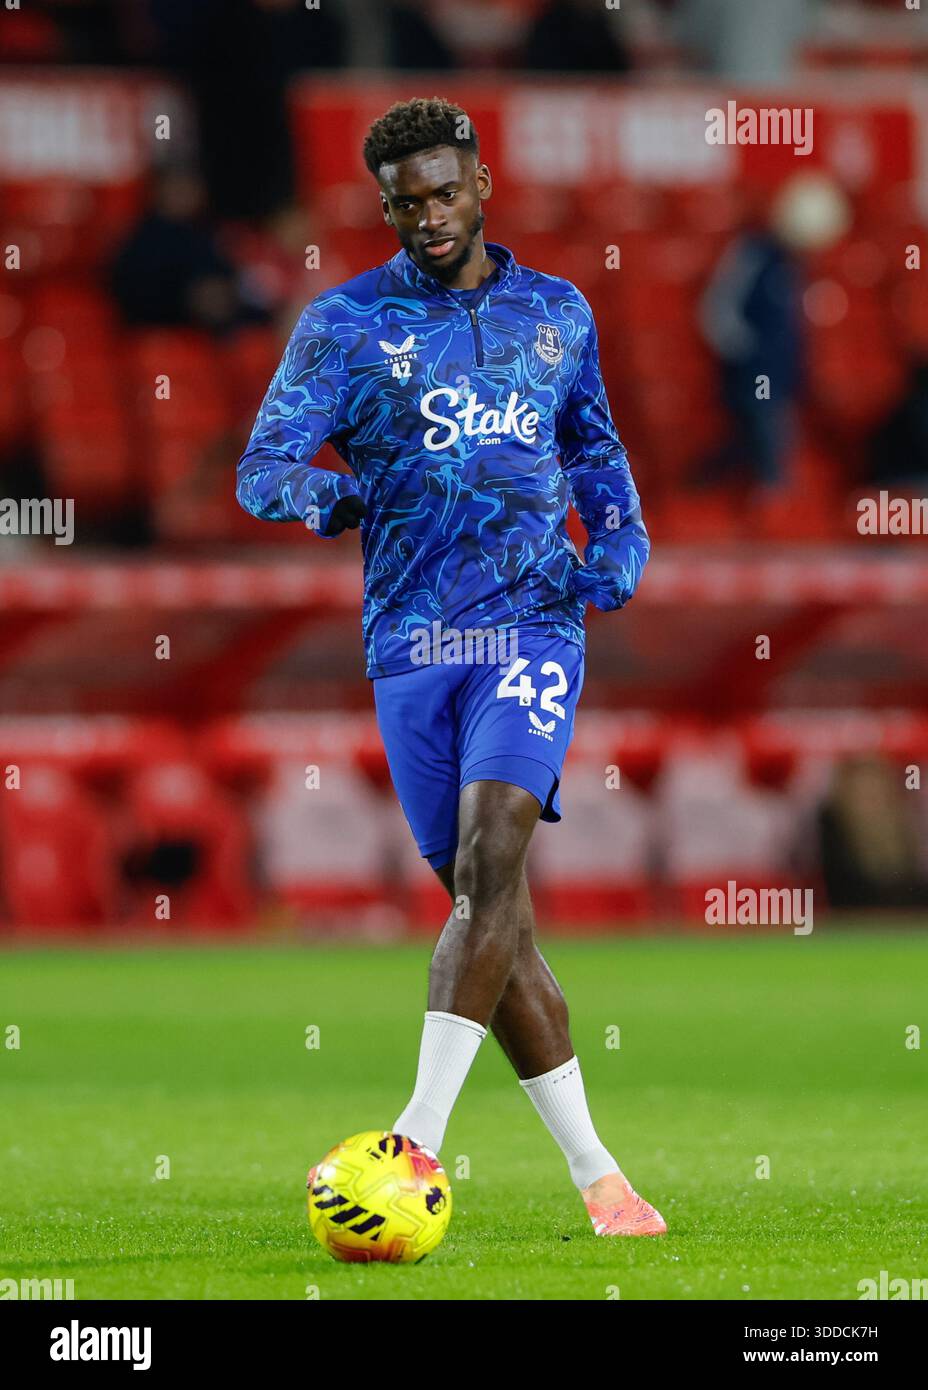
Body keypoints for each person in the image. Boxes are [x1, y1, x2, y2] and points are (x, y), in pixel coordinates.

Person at [237, 97, 660, 1237]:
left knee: (492, 849)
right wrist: (334, 496)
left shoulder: (555, 312)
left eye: (441, 191)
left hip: (532, 625)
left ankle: (410, 1145)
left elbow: (593, 445)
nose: (426, 216)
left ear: (480, 181)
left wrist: (617, 536)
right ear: (385, 205)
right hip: (414, 644)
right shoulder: (343, 326)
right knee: (494, 914)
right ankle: (601, 1179)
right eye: (403, 201)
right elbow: (263, 467)